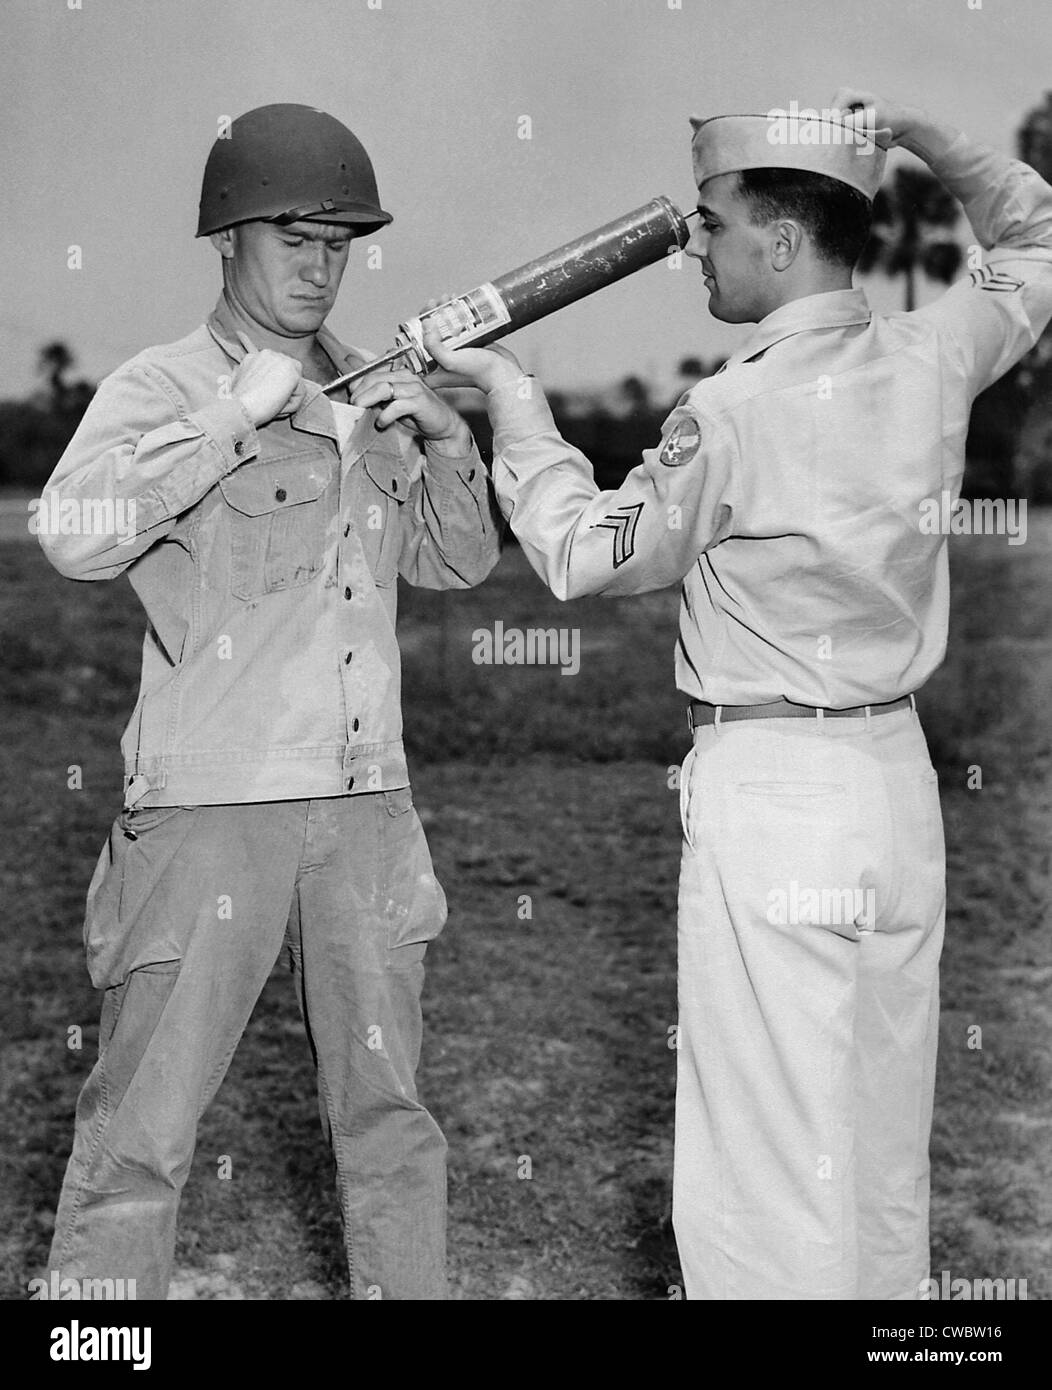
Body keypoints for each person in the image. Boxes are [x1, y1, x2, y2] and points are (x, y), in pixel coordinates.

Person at [403, 90, 1052, 1299]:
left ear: (782, 241)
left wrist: (515, 408)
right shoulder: (933, 351)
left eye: (710, 223)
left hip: (773, 796)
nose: (693, 247)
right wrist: (919, 132)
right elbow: (1036, 237)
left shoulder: (734, 408)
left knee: (764, 1181)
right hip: (896, 791)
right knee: (871, 1163)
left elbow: (583, 555)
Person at [39, 102, 501, 1301]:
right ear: (226, 239)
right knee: (141, 1130)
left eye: (339, 241)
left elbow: (453, 566)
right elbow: (72, 536)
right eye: (291, 235)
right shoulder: (165, 384)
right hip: (212, 809)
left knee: (391, 1121)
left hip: (364, 806)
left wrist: (446, 441)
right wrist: (232, 414)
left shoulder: (367, 385)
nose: (318, 262)